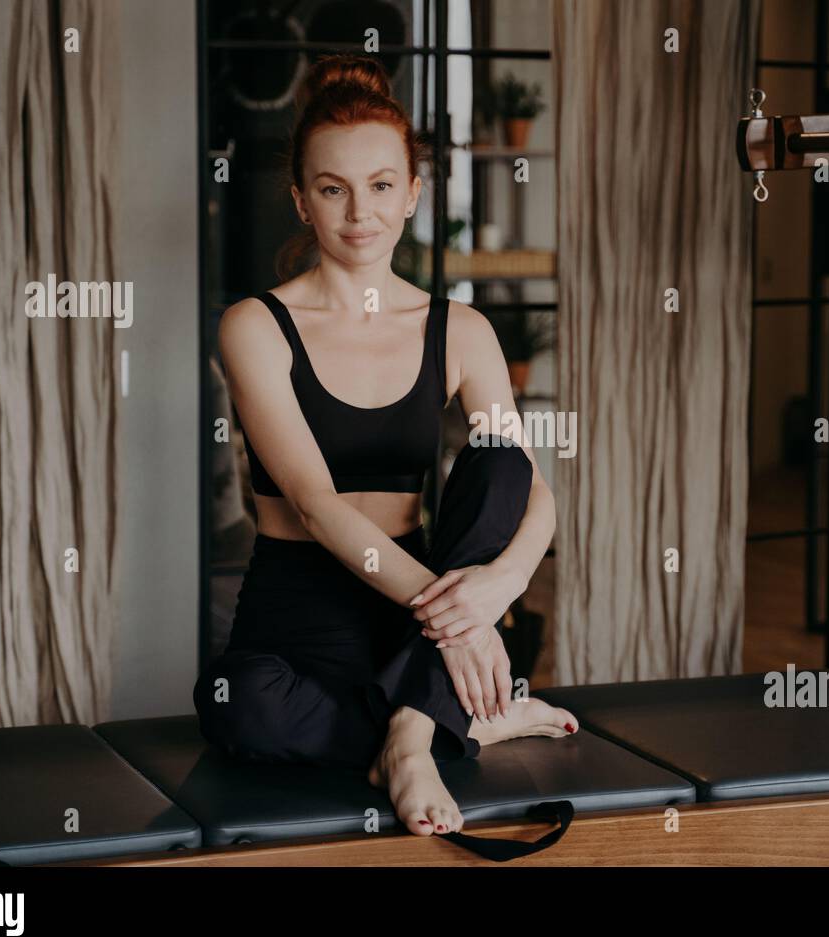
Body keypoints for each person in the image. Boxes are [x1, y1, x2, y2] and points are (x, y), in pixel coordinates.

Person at [194, 53, 578, 838]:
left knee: (500, 460)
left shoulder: (460, 330)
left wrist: (493, 594)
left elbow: (534, 493)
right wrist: (458, 624)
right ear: (302, 200)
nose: (358, 212)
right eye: (332, 189)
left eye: (379, 186)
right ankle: (455, 722)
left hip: (420, 606)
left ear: (412, 193)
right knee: (242, 706)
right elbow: (314, 502)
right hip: (301, 611)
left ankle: (409, 738)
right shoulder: (255, 326)